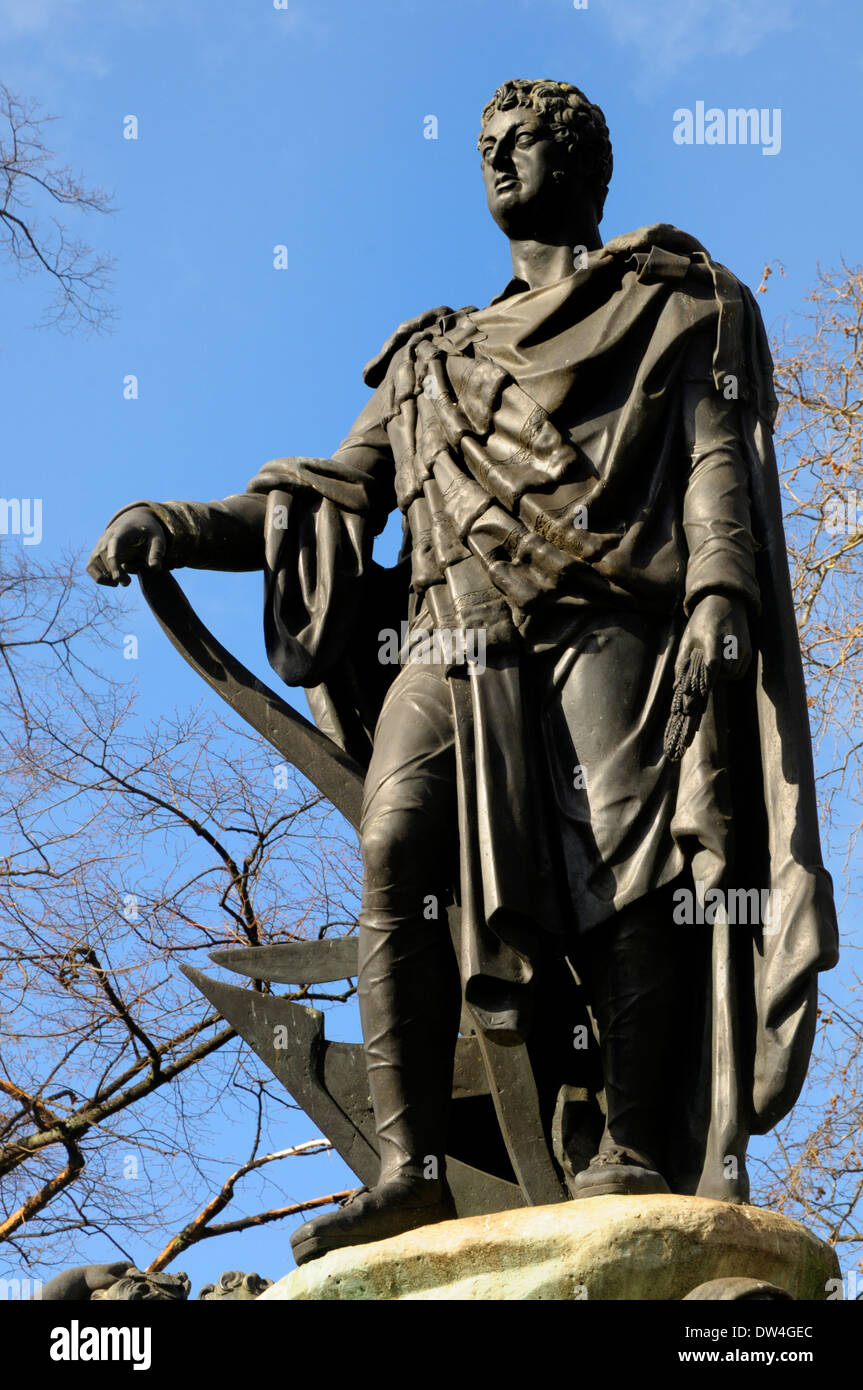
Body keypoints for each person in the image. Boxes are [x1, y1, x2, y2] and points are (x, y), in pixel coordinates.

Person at [89, 79, 838, 1267]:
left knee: (632, 867)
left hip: (609, 625)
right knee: (394, 846)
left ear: (583, 162)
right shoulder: (431, 357)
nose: (495, 160)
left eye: (522, 142)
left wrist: (716, 599)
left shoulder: (674, 303)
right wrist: (175, 521)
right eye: (483, 145)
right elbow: (329, 497)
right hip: (451, 639)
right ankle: (409, 1170)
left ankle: (631, 1145)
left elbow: (712, 464)